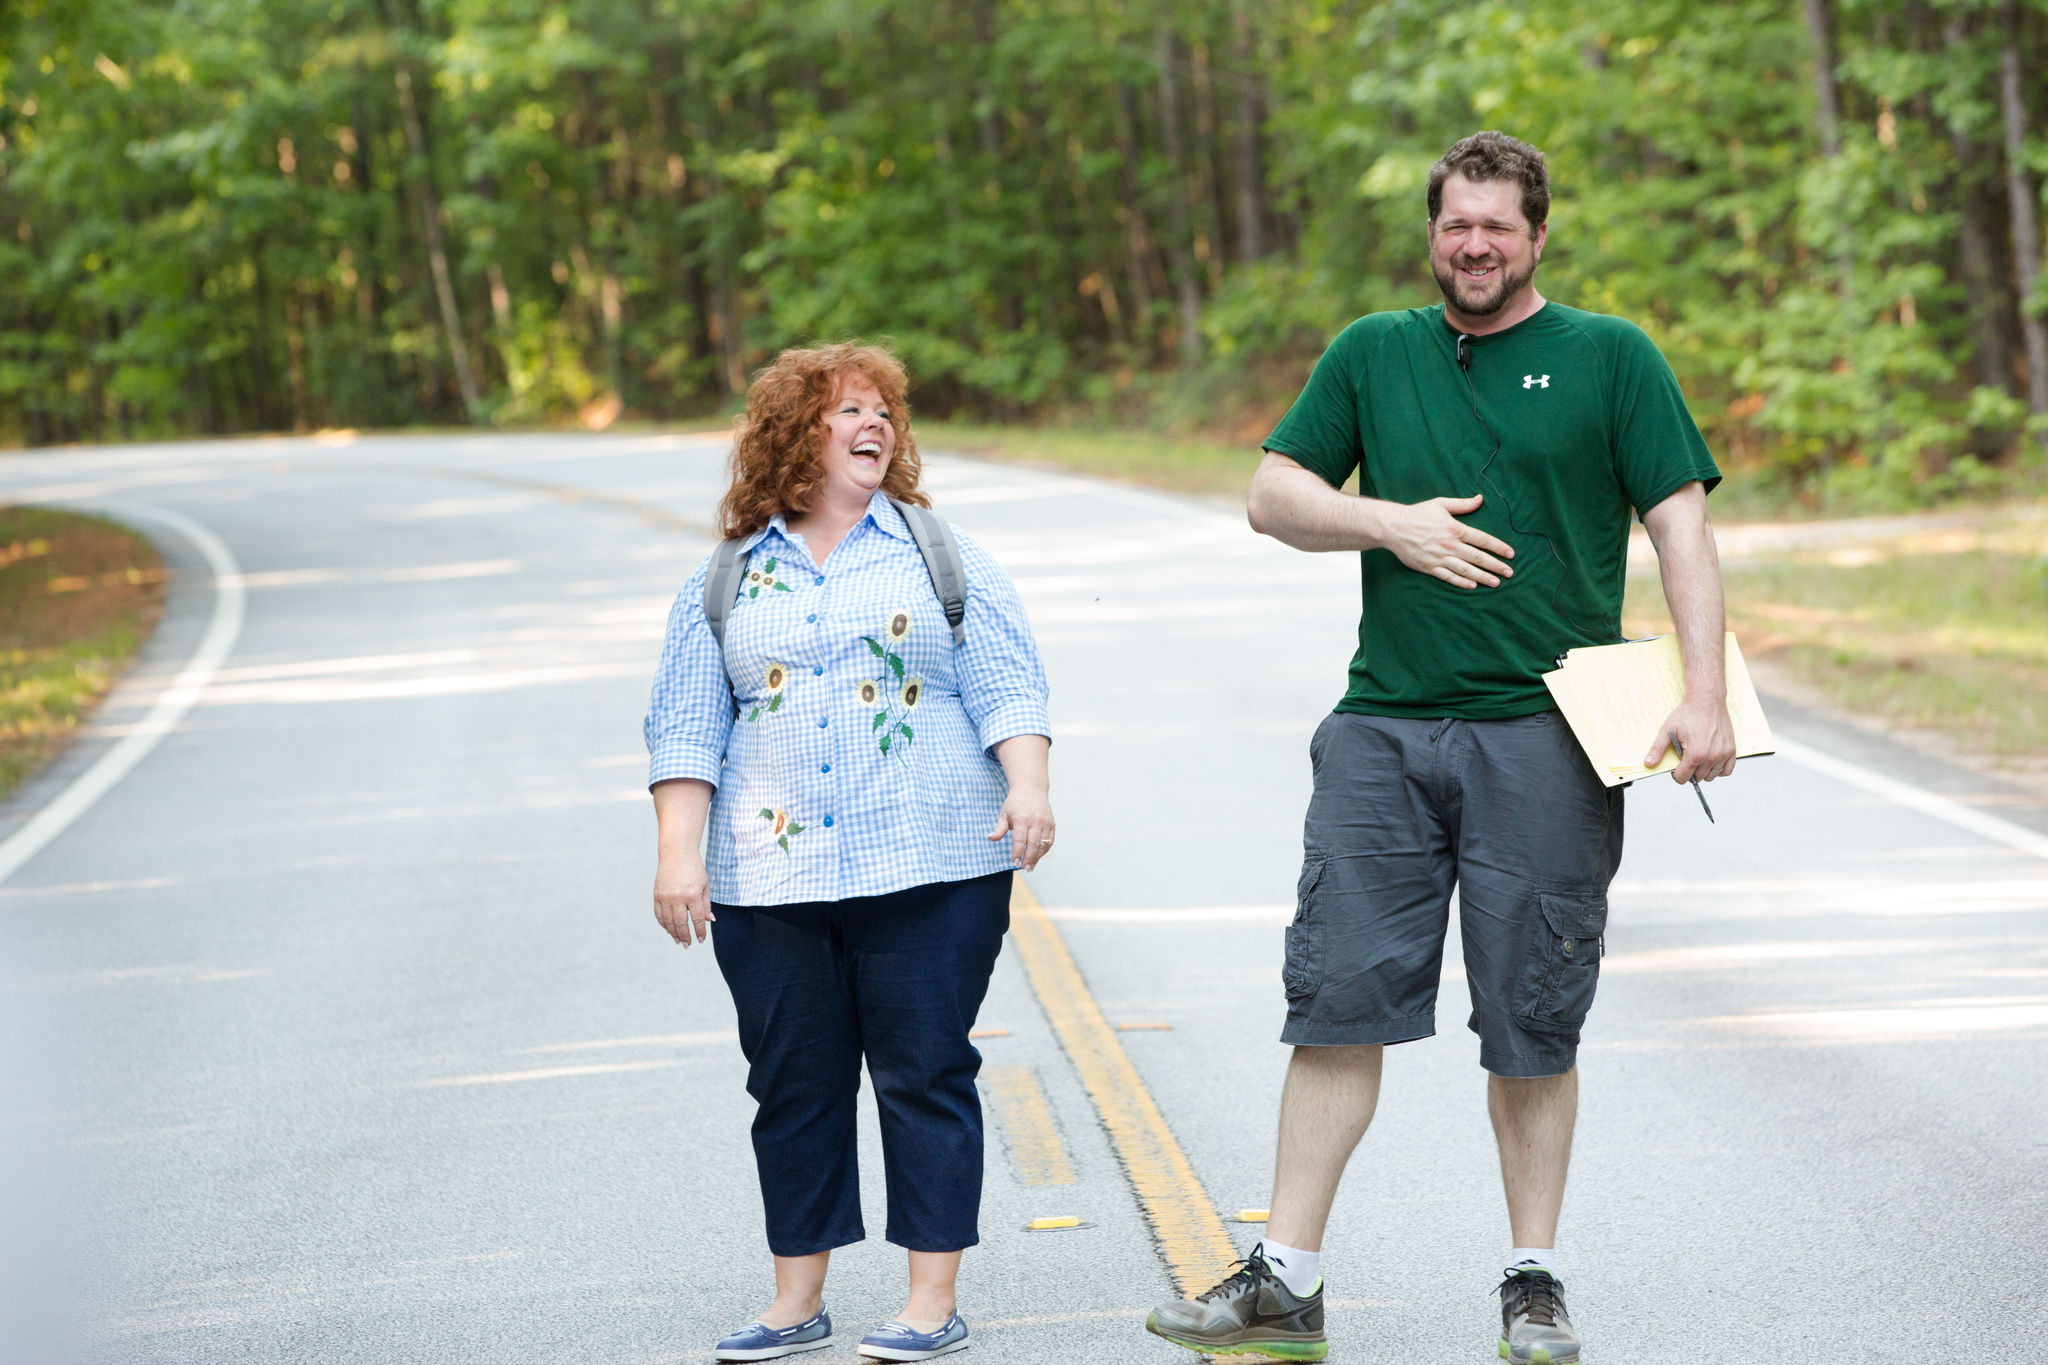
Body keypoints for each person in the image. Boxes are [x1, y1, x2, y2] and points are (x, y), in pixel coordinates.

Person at [1144, 131, 1734, 1365]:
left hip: (1548, 735)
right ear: (1433, 232)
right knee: (1334, 1001)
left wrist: (1703, 694)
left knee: (1532, 1017)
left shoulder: (1609, 357)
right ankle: (1285, 1284)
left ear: (1535, 234)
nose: (1473, 246)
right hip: (1382, 728)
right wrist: (1389, 525)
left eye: (1497, 227)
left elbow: (1678, 525)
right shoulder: (1373, 351)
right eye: (1454, 225)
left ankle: (1532, 1281)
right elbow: (1273, 495)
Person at [643, 341, 1055, 1363]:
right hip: (767, 873)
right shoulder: (728, 576)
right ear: (794, 436)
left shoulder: (935, 552)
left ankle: (928, 1302)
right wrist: (676, 856)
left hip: (933, 862)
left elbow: (1008, 681)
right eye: (845, 411)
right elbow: (687, 725)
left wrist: (1029, 786)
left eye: (882, 410)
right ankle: (795, 1301)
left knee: (923, 1071)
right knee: (794, 1080)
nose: (873, 425)